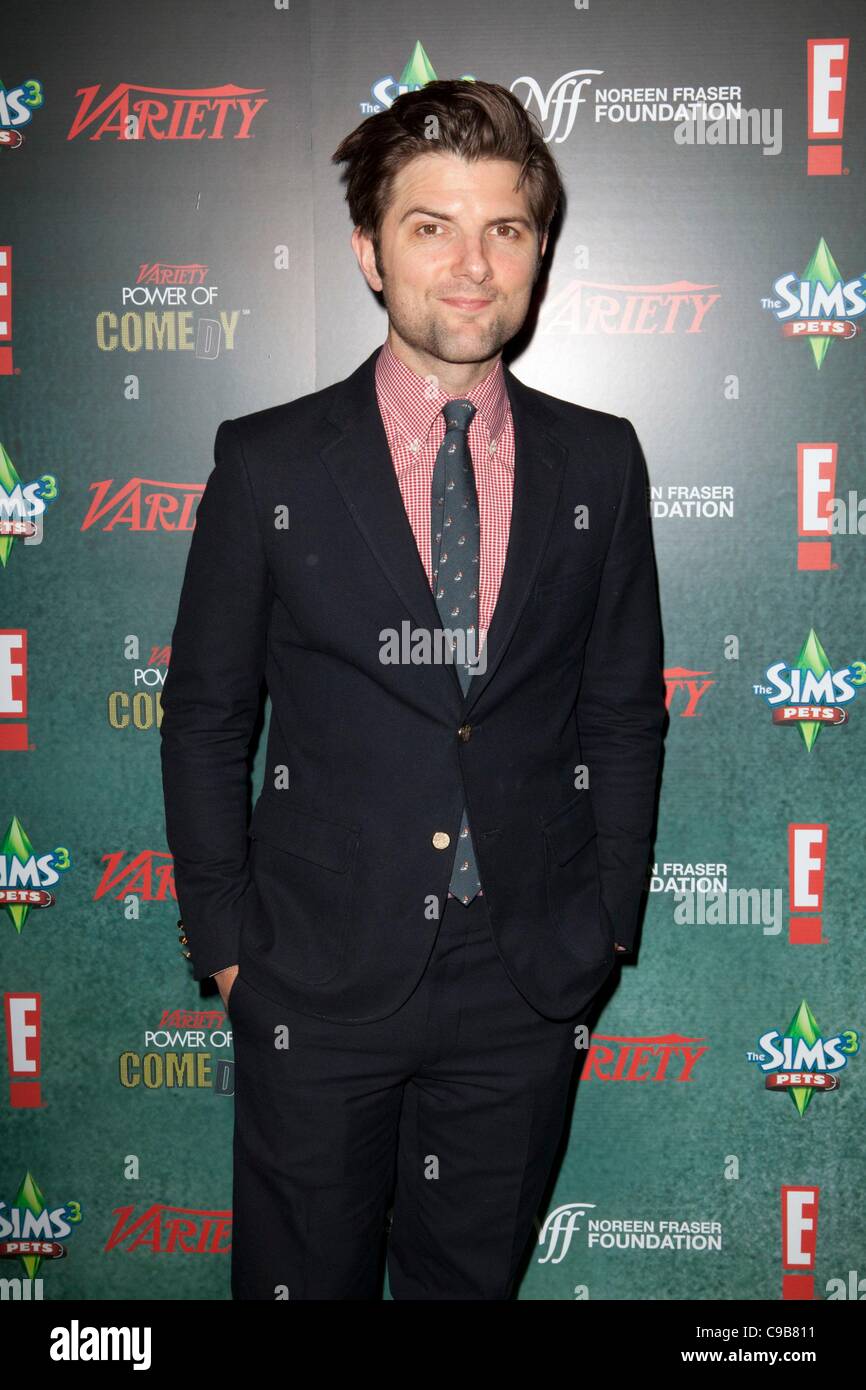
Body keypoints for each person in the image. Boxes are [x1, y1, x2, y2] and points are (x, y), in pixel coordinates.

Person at [160, 78, 666, 1301]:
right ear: (368, 251)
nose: (471, 264)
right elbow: (207, 714)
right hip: (314, 977)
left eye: (503, 227)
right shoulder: (269, 459)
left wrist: (600, 922)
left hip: (523, 973)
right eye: (430, 226)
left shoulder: (600, 459)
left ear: (537, 250)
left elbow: (621, 707)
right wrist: (229, 948)